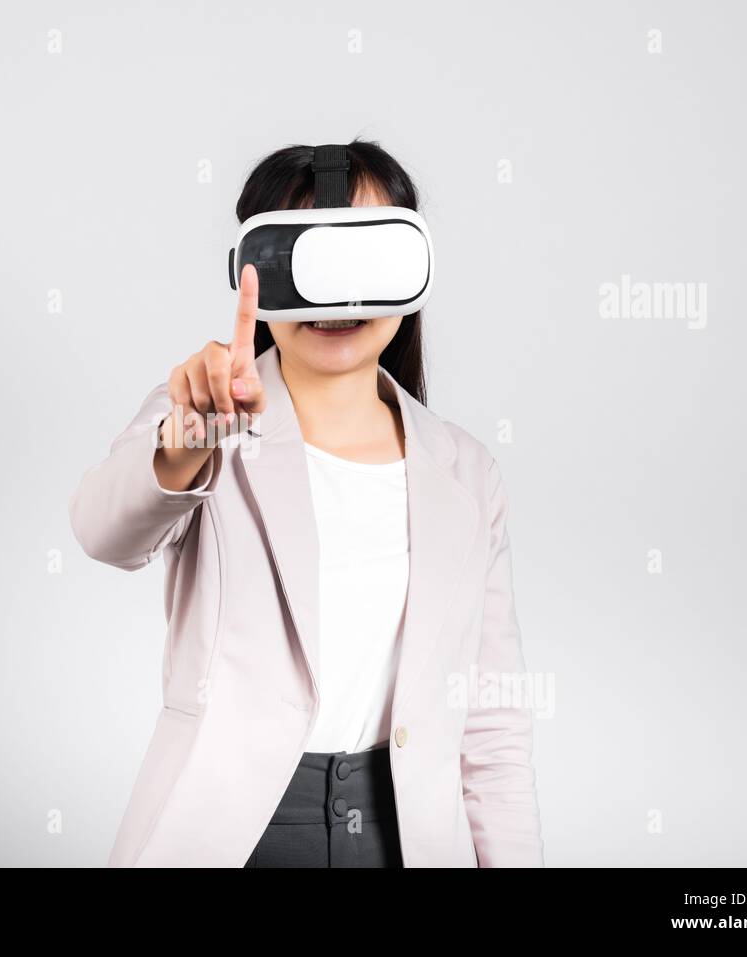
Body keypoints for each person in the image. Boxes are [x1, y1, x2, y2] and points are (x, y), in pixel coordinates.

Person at [70, 140, 544, 867]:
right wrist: (186, 443)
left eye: (366, 262)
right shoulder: (197, 416)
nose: (337, 298)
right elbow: (104, 531)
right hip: (232, 831)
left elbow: (493, 726)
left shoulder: (469, 472)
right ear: (251, 276)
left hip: (407, 833)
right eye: (303, 264)